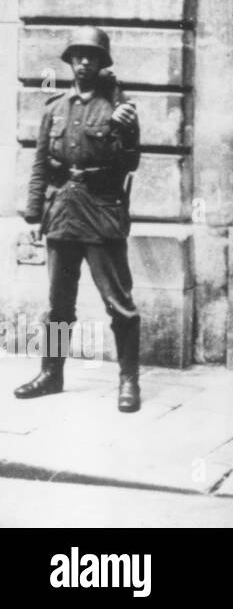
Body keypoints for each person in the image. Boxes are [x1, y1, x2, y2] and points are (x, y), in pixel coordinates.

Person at [14, 28, 143, 413]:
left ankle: (129, 381)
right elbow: (40, 164)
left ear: (103, 63)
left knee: (118, 304)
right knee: (58, 305)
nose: (84, 62)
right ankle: (51, 374)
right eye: (78, 56)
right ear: (69, 62)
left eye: (92, 56)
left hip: (101, 213)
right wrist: (35, 213)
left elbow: (130, 162)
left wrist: (128, 129)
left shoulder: (118, 108)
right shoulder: (54, 108)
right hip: (62, 214)